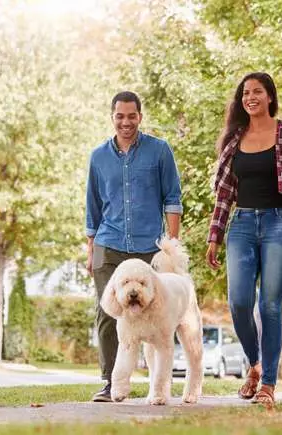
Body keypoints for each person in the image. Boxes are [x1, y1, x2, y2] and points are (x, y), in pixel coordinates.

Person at [206, 72, 282, 407]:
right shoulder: (235, 138)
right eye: (245, 93)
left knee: (270, 305)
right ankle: (255, 365)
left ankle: (269, 386)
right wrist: (214, 236)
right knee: (239, 302)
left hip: (281, 224)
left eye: (257, 91)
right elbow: (224, 194)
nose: (250, 97)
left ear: (270, 97)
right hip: (243, 225)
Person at [85, 91, 183, 402]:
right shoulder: (98, 157)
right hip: (106, 244)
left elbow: (173, 199)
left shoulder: (159, 151)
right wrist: (91, 252)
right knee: (107, 312)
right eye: (119, 116)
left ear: (140, 116)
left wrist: (171, 244)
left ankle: (159, 383)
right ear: (112, 117)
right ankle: (110, 382)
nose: (125, 122)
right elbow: (93, 207)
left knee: (157, 311)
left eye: (131, 116)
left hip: (148, 248)